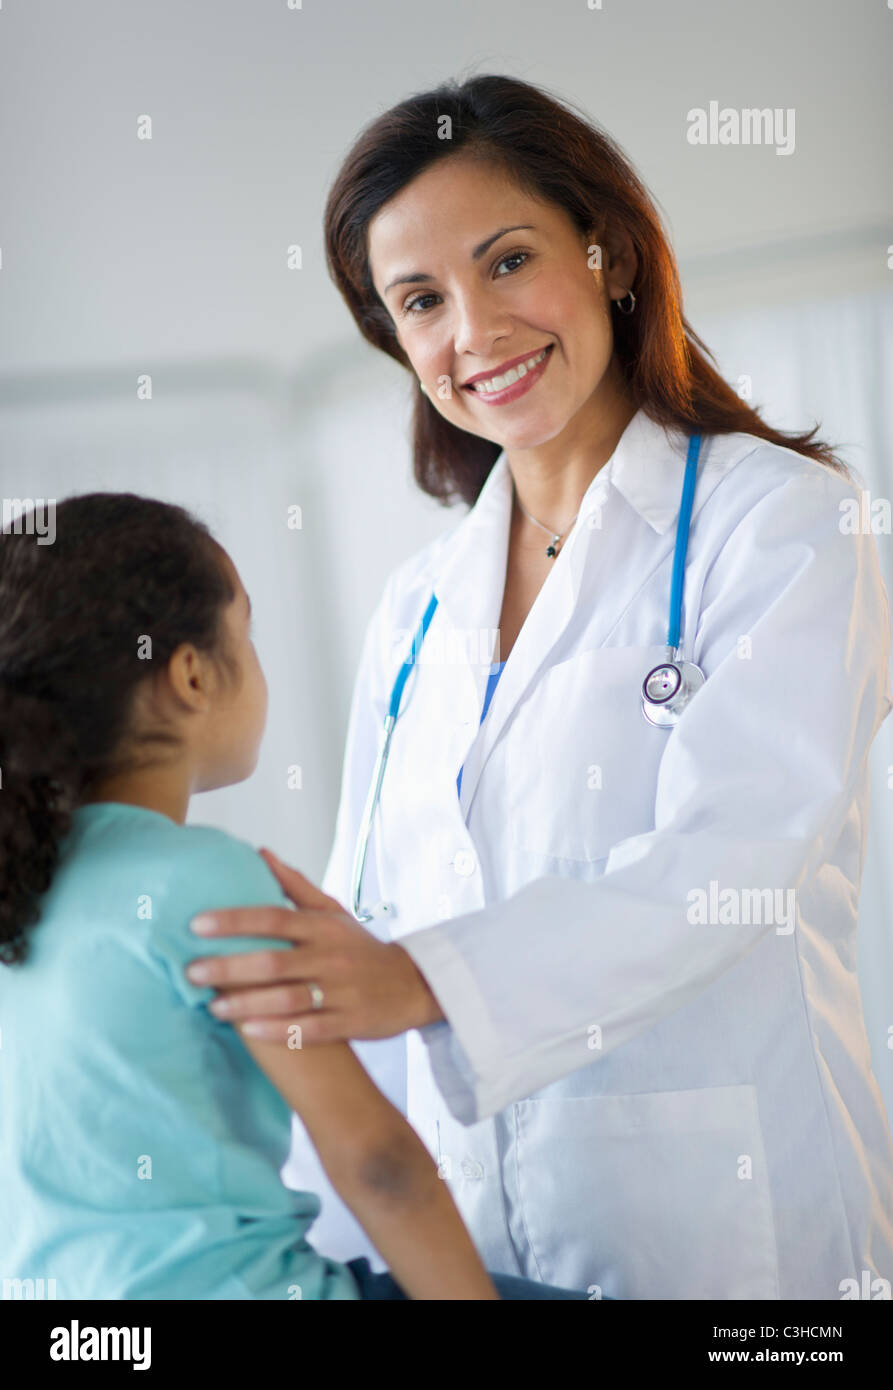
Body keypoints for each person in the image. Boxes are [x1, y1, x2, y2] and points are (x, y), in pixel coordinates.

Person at [184, 73, 893, 1300]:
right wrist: (334, 1242)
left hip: (731, 1240)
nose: (474, 331)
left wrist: (424, 981)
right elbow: (368, 916)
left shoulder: (779, 523)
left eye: (507, 261)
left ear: (606, 251)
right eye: (420, 301)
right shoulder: (416, 608)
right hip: (475, 1249)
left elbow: (728, 859)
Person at [0, 493, 588, 1301]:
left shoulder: (17, 891)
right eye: (244, 630)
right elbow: (378, 1165)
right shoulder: (208, 886)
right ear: (192, 675)